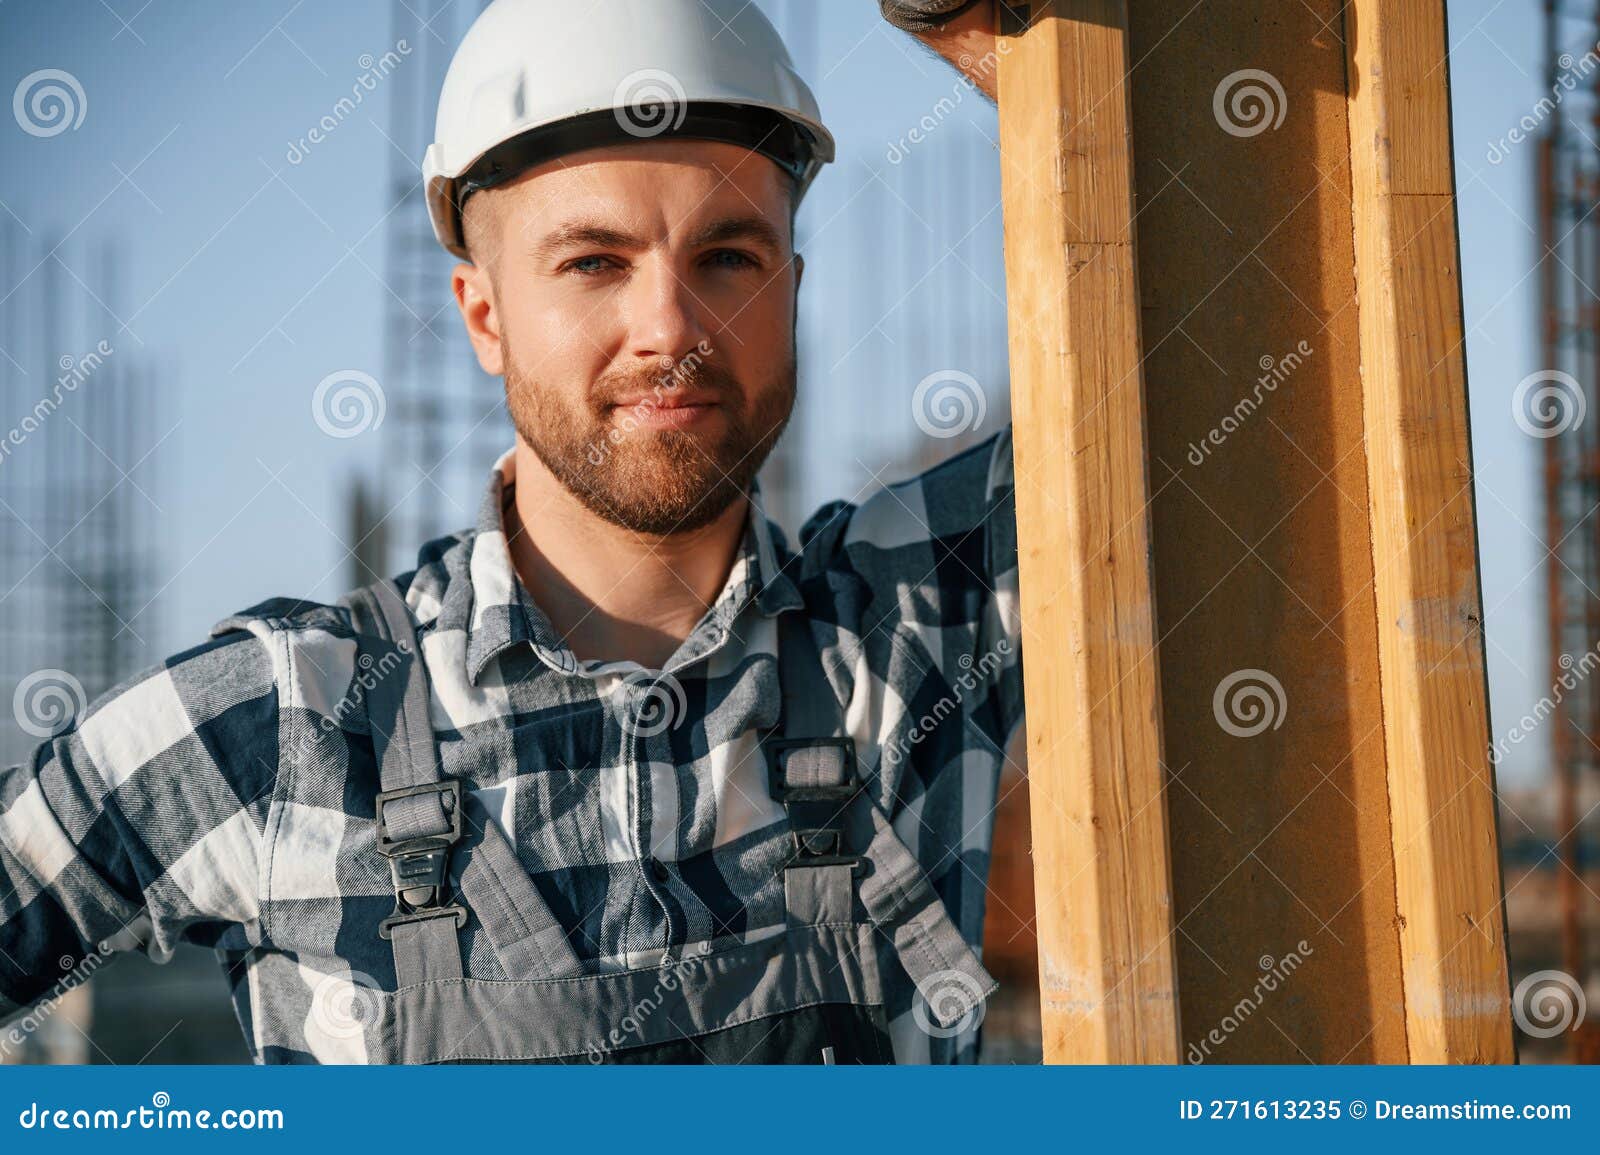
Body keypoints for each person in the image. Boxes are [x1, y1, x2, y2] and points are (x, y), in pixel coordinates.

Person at [0, 0, 1020, 1064]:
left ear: (791, 290)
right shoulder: (288, 727)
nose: (670, 328)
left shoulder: (924, 620)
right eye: (594, 262)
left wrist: (967, 32)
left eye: (727, 255)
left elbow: (1144, 357)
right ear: (483, 315)